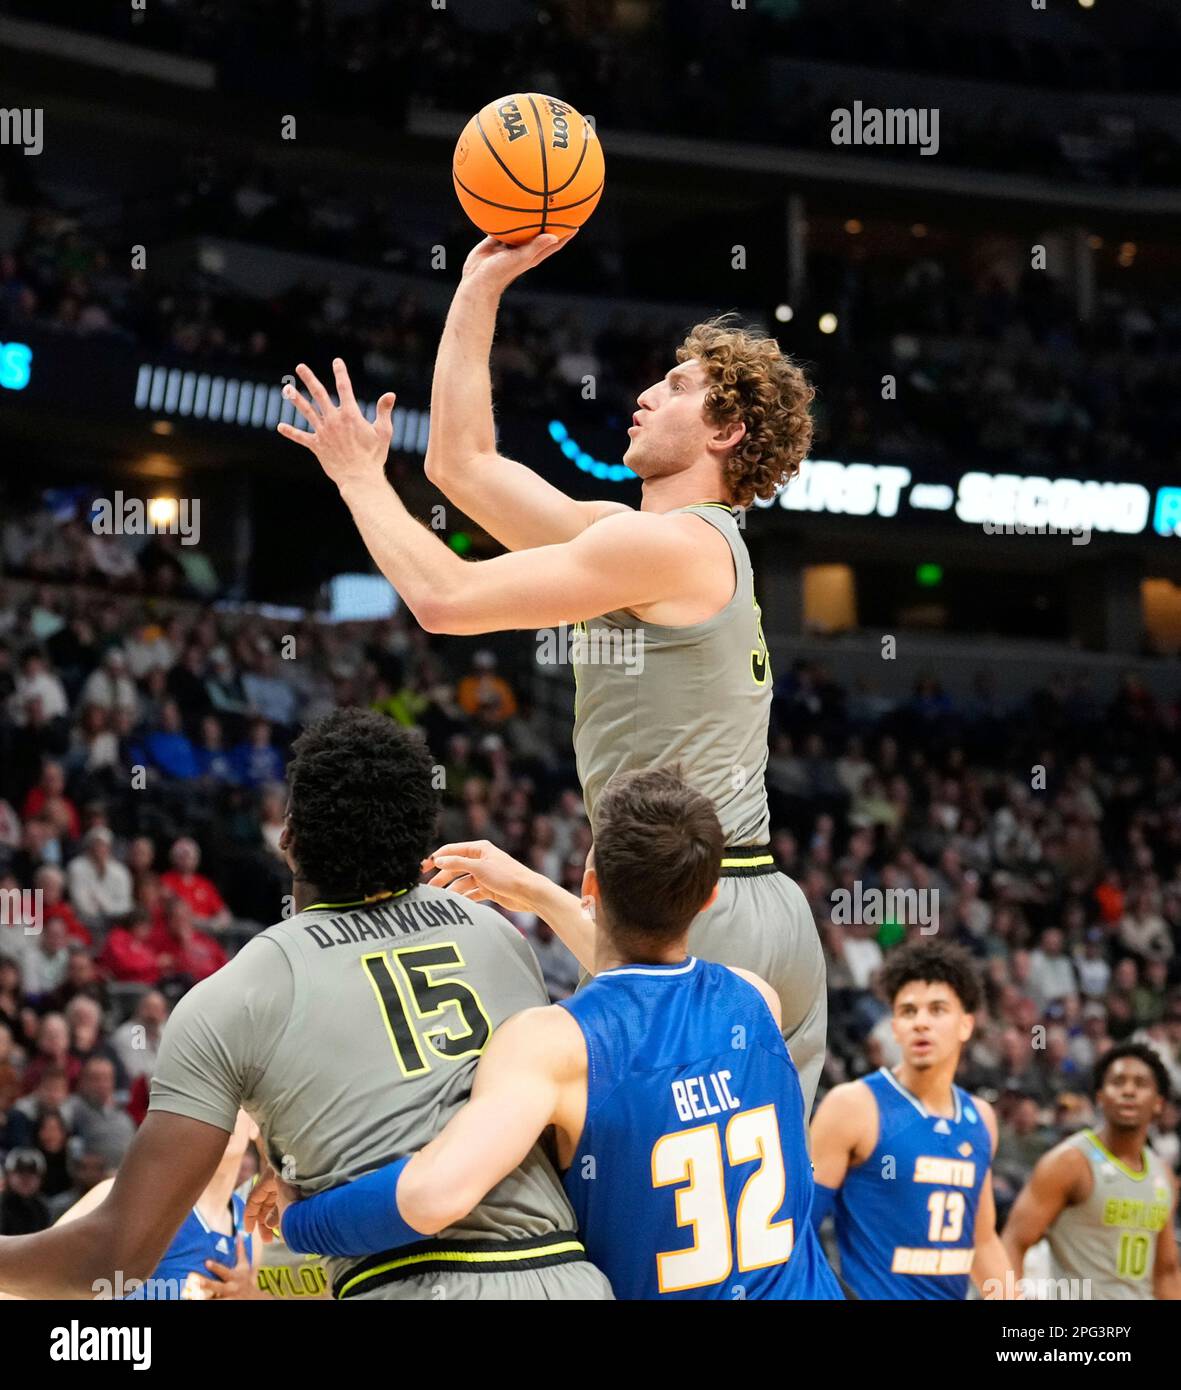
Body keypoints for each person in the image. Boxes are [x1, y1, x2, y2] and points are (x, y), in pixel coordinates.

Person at [276, 231, 827, 1113]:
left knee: (632, 1197)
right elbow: (462, 467)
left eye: (678, 387)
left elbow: (444, 600)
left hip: (696, 912)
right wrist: (479, 285)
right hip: (744, 902)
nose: (644, 395)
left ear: (726, 430)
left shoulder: (664, 546)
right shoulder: (648, 540)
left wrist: (356, 479)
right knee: (749, 1206)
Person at [0, 709, 610, 1301]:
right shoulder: (497, 934)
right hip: (568, 1273)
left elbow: (112, 1259)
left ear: (287, 835)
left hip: (404, 1279)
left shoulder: (233, 995)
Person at [262, 769, 839, 1300]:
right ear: (709, 895)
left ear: (590, 879)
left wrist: (298, 1217)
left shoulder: (556, 1045)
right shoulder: (755, 999)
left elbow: (431, 1197)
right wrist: (537, 893)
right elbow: (650, 985)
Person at [809, 939, 1012, 1299]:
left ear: (965, 1025)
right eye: (907, 1011)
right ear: (895, 1026)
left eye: (937, 1010)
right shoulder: (853, 1106)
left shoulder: (981, 1118)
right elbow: (797, 1232)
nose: (921, 1023)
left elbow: (982, 1241)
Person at [1002, 1043, 1181, 1299]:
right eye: (1118, 1082)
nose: (1128, 1091)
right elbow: (1014, 1242)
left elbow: (1166, 1271)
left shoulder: (1162, 1173)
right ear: (1100, 1097)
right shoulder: (1070, 1162)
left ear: (1158, 1103)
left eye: (1140, 1084)